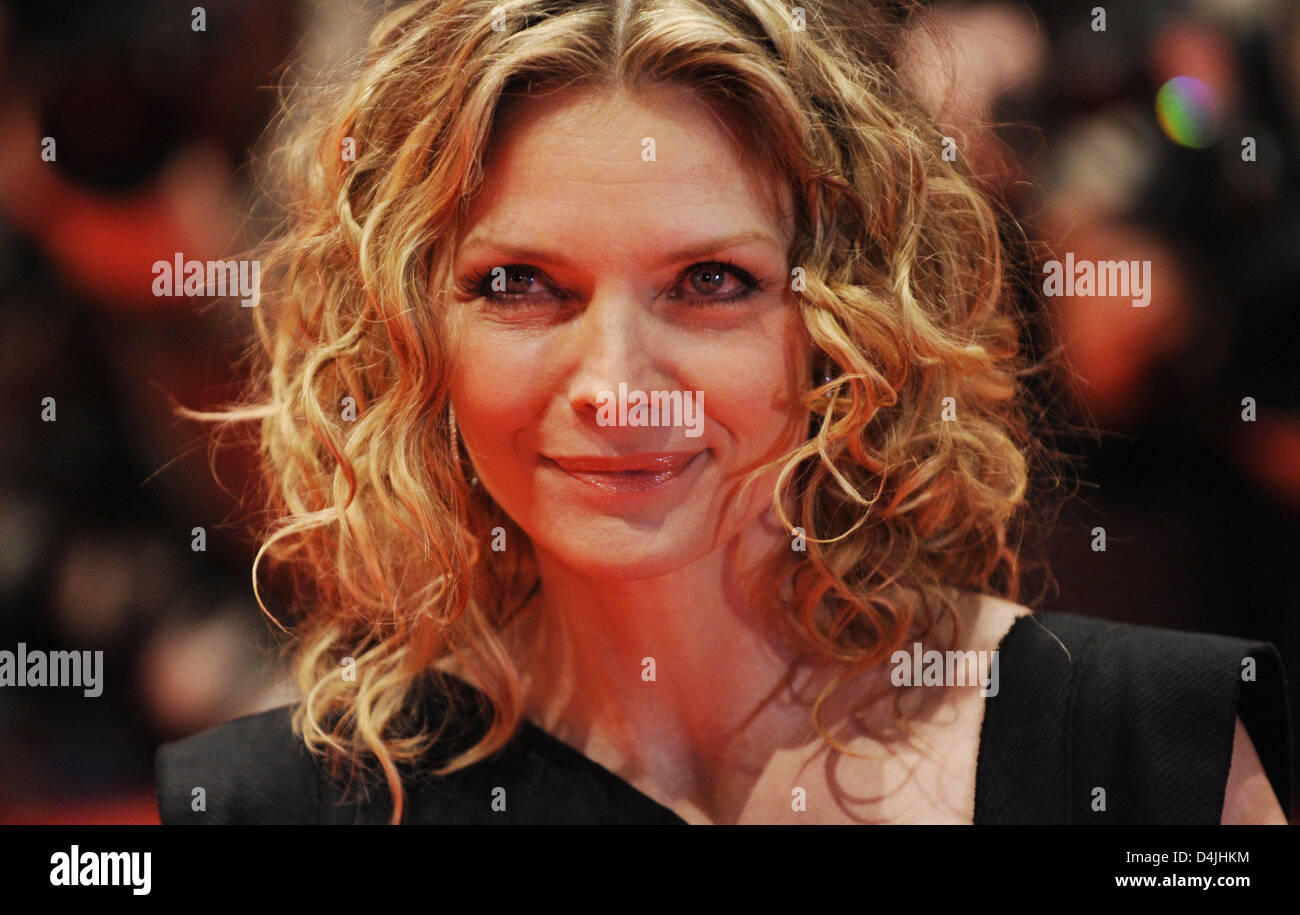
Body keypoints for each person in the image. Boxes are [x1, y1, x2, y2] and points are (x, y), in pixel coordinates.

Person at [154, 0, 1291, 825]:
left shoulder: (1149, 756)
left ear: (849, 321)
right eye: (519, 285)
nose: (616, 386)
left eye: (710, 283)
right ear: (407, 332)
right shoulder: (271, 807)